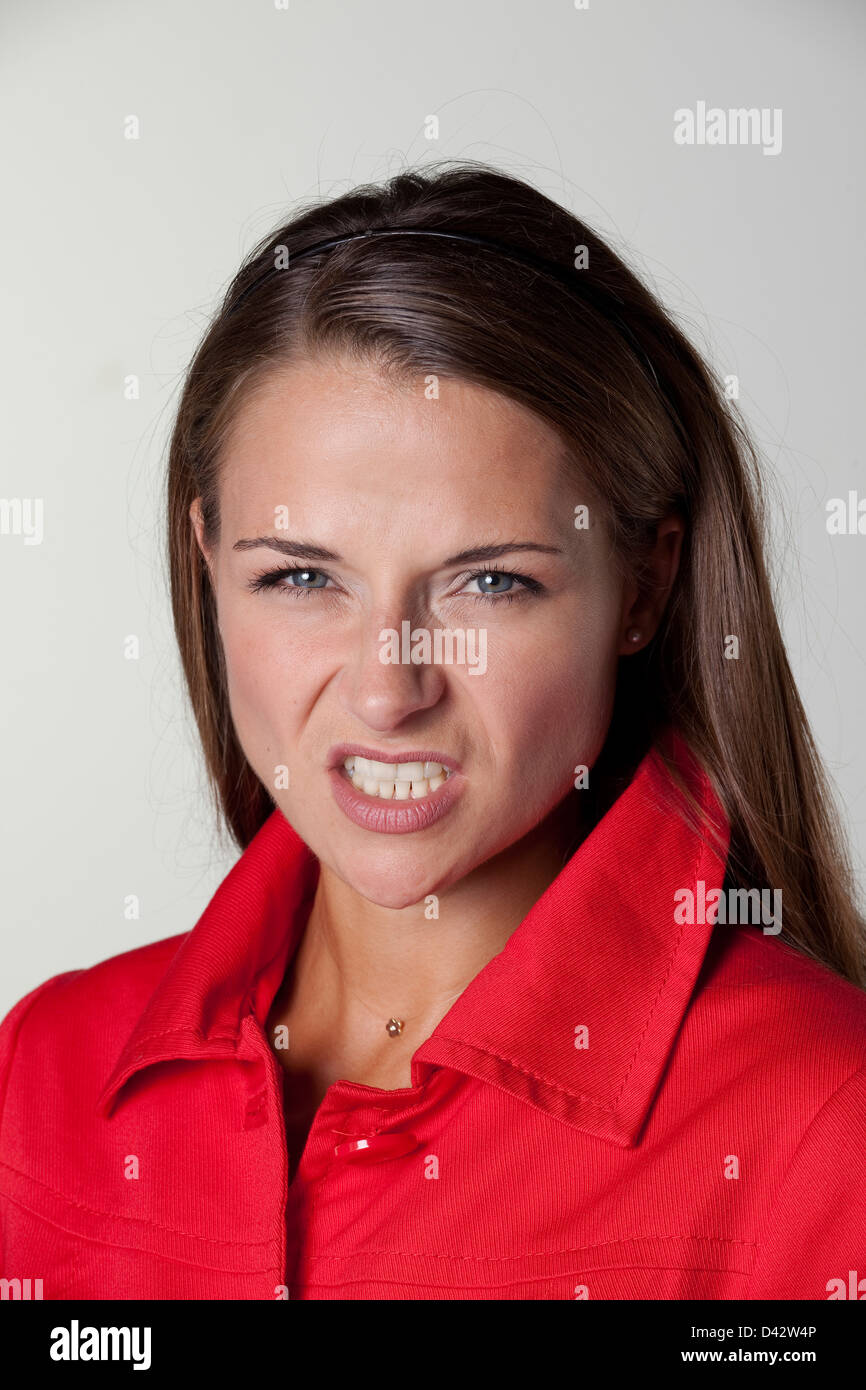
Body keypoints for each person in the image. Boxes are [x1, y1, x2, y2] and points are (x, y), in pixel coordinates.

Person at [2, 162, 865, 1301]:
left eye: (488, 585)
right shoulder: (44, 1074)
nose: (388, 687)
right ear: (204, 558)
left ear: (643, 590)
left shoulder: (822, 1128)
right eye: (303, 576)